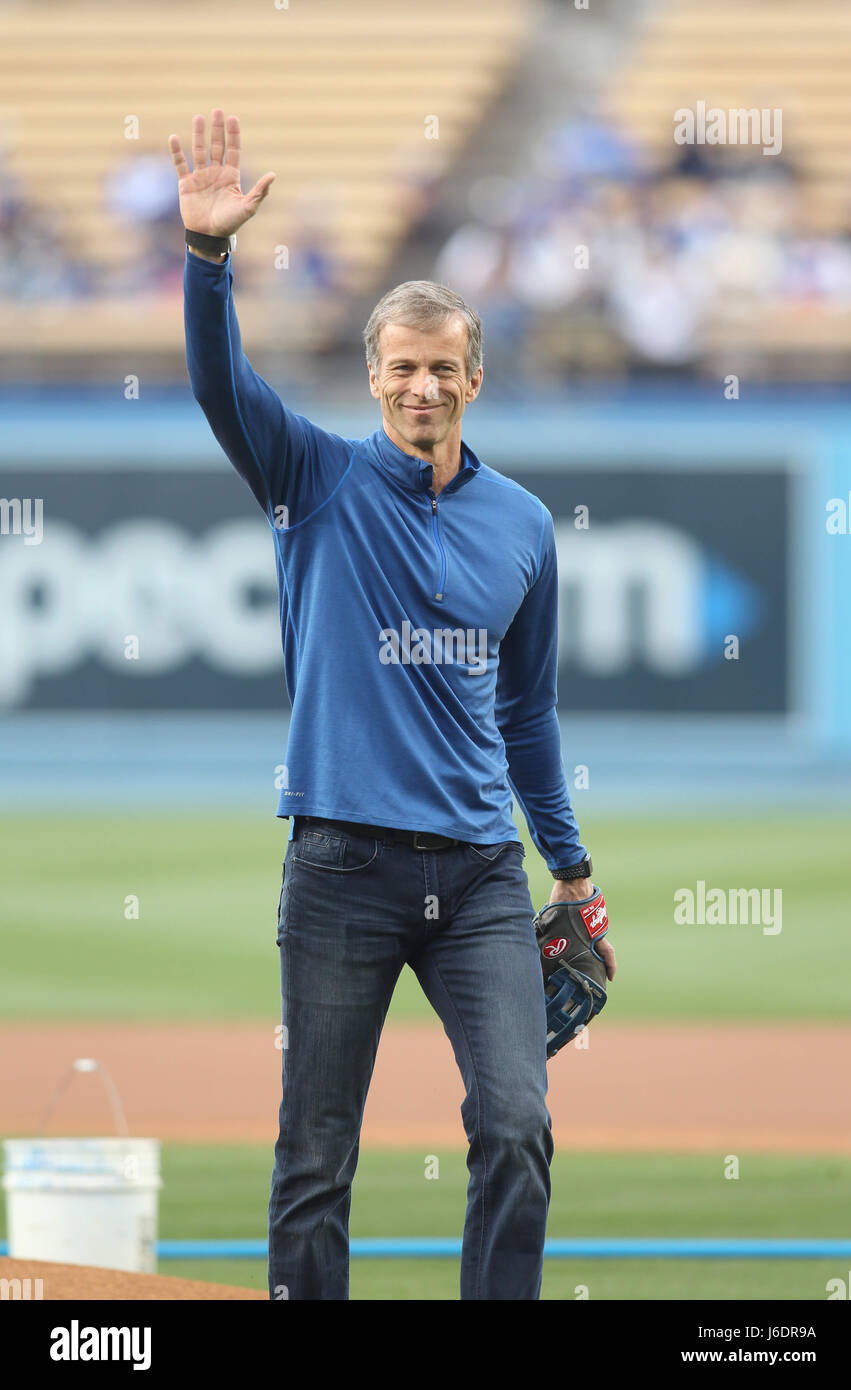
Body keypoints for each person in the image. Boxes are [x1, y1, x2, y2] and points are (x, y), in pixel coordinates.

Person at [170, 109, 616, 1302]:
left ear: (473, 378)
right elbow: (220, 386)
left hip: (478, 875)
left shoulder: (522, 524)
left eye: (442, 366)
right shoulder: (309, 478)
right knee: (315, 1154)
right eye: (400, 366)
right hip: (339, 867)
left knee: (517, 1125)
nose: (421, 383)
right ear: (375, 380)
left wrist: (565, 868)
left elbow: (529, 714)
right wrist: (209, 259)